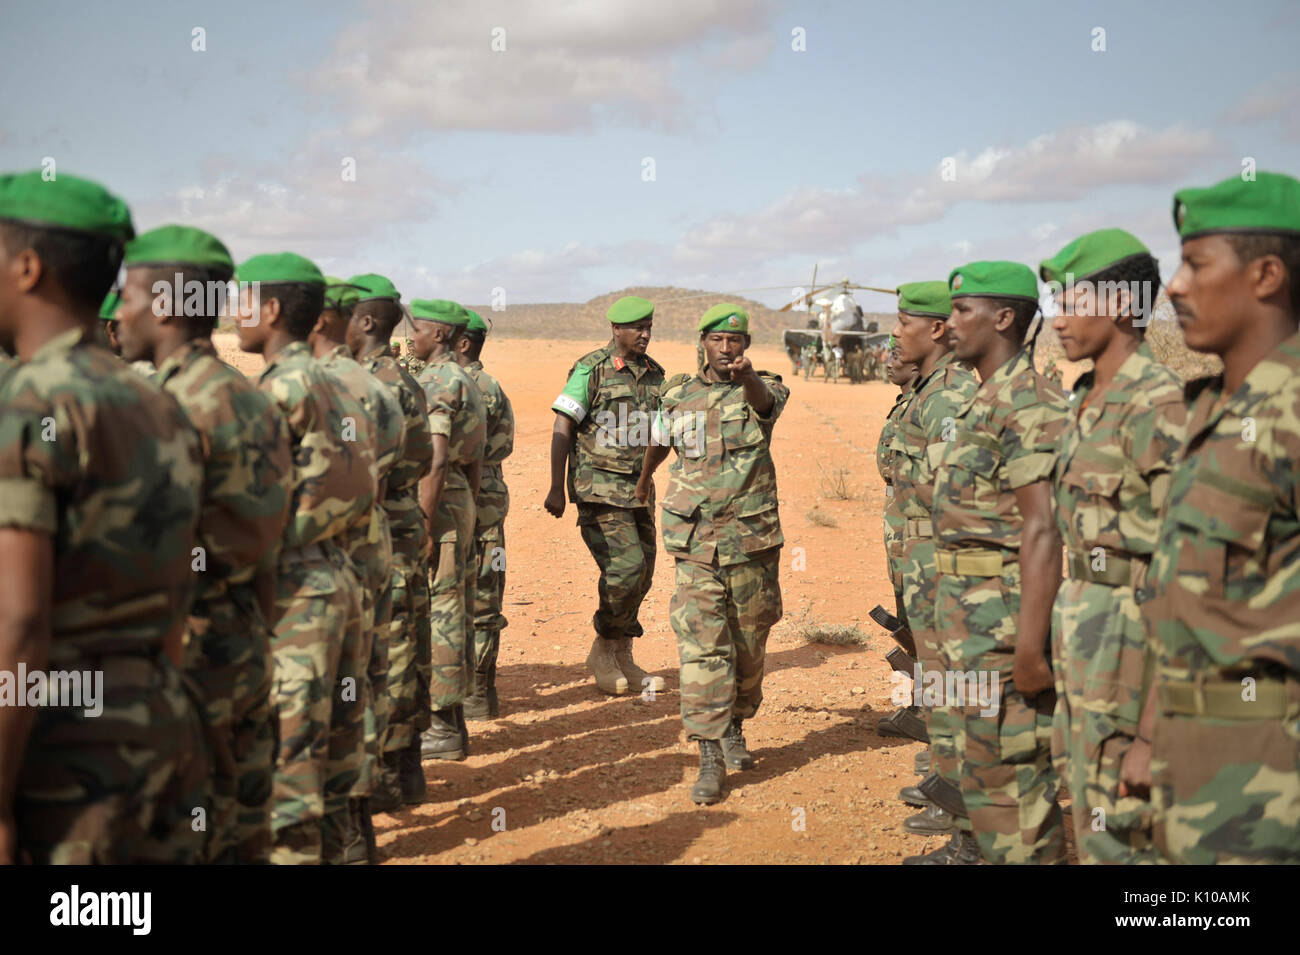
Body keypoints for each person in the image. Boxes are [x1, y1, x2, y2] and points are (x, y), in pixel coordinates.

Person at [0, 170, 208, 864]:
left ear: (26, 268)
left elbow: (18, 622)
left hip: (61, 751)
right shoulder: (157, 402)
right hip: (159, 723)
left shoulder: (31, 401)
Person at [1123, 171, 1300, 864]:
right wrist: (1150, 734)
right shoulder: (1213, 410)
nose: (1175, 285)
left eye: (1197, 263)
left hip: (1271, 795)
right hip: (1192, 776)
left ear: (1265, 274)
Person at [115, 224, 294, 864]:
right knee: (244, 825)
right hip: (246, 642)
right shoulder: (252, 399)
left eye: (128, 293)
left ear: (163, 304)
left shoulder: (161, 409)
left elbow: (149, 564)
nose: (121, 310)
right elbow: (273, 543)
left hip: (185, 656)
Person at [1038, 229, 1186, 864]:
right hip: (1083, 629)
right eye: (1055, 301)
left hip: (1135, 644)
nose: (1058, 318)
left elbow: (1186, 574)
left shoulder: (1158, 405)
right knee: (1093, 803)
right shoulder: (1086, 398)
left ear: (1126, 306)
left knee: (1128, 827)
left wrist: (1155, 729)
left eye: (1074, 301)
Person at [235, 252, 374, 865]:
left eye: (240, 301)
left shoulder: (274, 391)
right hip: (339, 577)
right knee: (334, 764)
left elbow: (251, 512)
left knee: (288, 783)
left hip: (291, 594)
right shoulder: (339, 379)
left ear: (269, 311)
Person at [928, 260, 1069, 865]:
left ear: (1004, 317)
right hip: (968, 624)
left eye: (963, 312)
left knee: (1013, 792)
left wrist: (1032, 650)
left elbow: (1045, 530)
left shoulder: (1029, 405)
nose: (949, 324)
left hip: (1004, 631)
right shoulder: (986, 398)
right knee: (986, 781)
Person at [636, 303, 788, 804]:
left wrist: (747, 378)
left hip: (750, 542)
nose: (728, 349)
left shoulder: (764, 387)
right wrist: (643, 480)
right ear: (702, 341)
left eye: (737, 341)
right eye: (719, 341)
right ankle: (708, 751)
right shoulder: (677, 393)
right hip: (695, 540)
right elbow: (659, 441)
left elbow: (764, 404)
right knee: (702, 645)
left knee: (749, 644)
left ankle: (735, 727)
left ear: (746, 345)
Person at [885, 283, 981, 852]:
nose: (895, 334)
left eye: (904, 323)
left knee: (954, 683)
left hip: (939, 558)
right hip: (918, 553)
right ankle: (948, 785)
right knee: (940, 679)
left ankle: (961, 811)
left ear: (937, 330)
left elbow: (952, 491)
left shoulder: (947, 394)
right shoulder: (926, 388)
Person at [311, 277, 403, 862]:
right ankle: (357, 822)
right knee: (362, 683)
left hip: (308, 570)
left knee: (310, 700)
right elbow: (413, 459)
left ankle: (333, 831)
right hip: (369, 550)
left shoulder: (299, 389)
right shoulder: (376, 386)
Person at [545, 296, 665, 695]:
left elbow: (662, 432)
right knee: (625, 568)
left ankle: (621, 652)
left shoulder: (654, 374)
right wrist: (557, 487)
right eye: (637, 328)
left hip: (639, 489)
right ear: (616, 329)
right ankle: (603, 649)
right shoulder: (590, 369)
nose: (645, 334)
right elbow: (563, 426)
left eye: (649, 326)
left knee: (644, 573)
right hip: (598, 488)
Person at [344, 274, 433, 807]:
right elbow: (423, 457)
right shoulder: (394, 376)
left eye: (345, 316)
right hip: (398, 522)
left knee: (393, 644)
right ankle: (404, 761)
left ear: (368, 322)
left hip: (382, 527)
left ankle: (397, 767)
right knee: (402, 640)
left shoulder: (377, 383)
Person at [409, 299, 485, 761]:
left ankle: (441, 727)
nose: (410, 338)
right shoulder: (466, 380)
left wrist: (423, 519)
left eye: (417, 330)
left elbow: (435, 457)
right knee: (455, 608)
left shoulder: (437, 381)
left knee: (441, 616)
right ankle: (451, 720)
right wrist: (465, 507)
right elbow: (473, 462)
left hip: (437, 503)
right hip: (459, 499)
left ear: (438, 335)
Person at [456, 309, 515, 719]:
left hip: (455, 498)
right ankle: (480, 690)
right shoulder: (492, 386)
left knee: (451, 590)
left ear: (461, 343)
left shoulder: (451, 385)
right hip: (489, 499)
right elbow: (504, 442)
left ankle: (463, 688)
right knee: (486, 589)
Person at [875, 342, 927, 745]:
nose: (887, 361)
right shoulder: (908, 400)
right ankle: (921, 705)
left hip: (919, 530)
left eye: (897, 354)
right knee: (909, 617)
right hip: (902, 527)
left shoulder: (931, 402)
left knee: (926, 620)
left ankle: (930, 712)